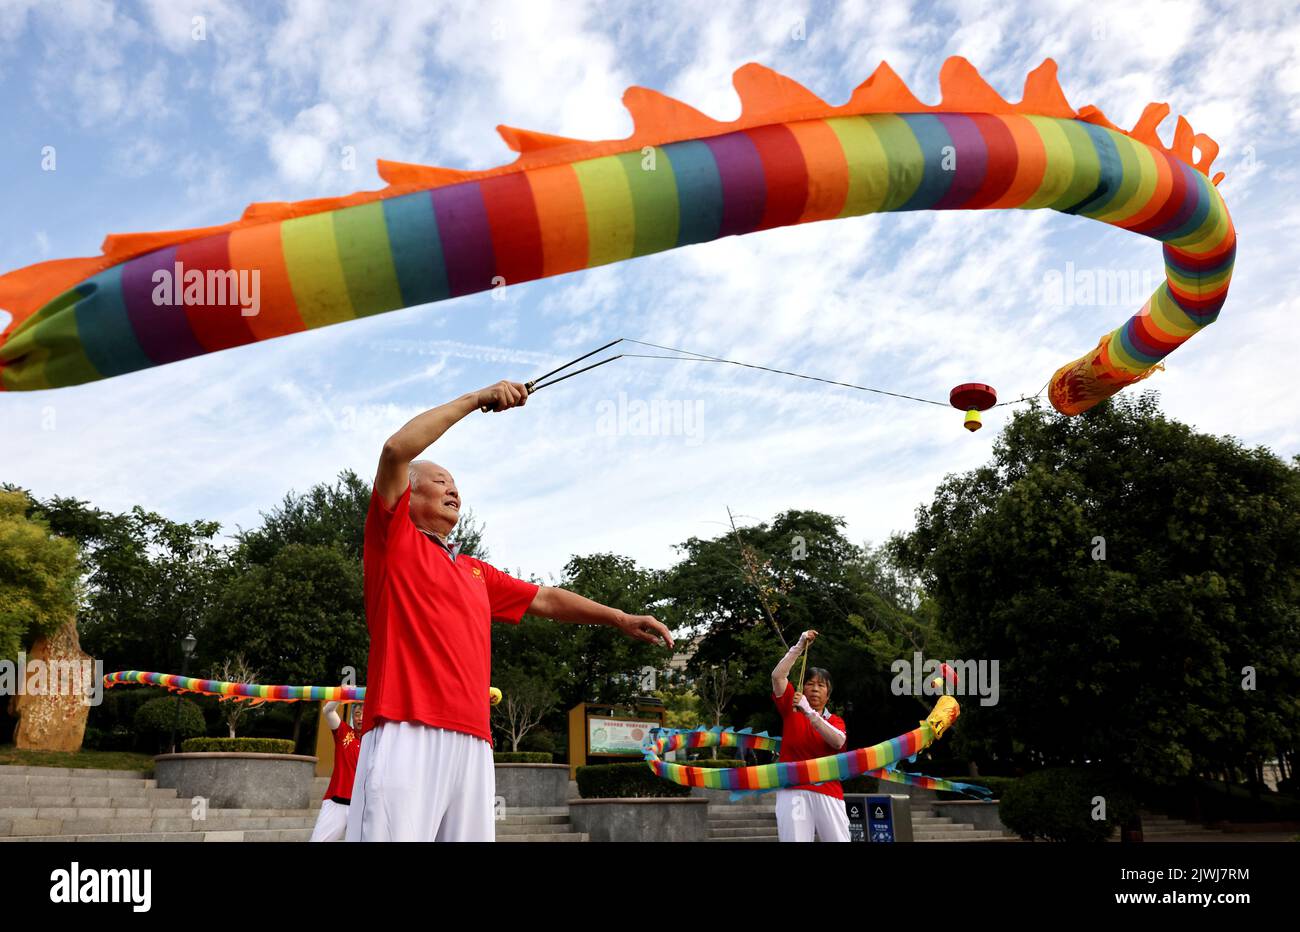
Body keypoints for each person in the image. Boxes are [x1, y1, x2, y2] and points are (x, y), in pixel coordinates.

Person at [346, 379, 674, 843]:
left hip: (474, 740)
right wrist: (477, 398)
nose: (453, 491)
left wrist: (618, 618)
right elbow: (397, 448)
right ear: (408, 496)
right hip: (405, 728)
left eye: (456, 485)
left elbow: (546, 598)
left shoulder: (475, 572)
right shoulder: (392, 539)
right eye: (440, 482)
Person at [770, 629, 850, 842]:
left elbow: (838, 741)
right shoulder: (791, 706)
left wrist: (809, 713)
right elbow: (778, 676)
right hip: (792, 789)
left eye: (821, 685)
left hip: (828, 789)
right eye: (810, 683)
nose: (815, 689)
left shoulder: (835, 721)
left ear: (828, 693)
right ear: (802, 688)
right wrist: (799, 647)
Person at [310, 701, 362, 842]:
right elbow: (328, 711)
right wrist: (341, 693)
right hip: (336, 802)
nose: (361, 718)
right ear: (353, 717)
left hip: (362, 806)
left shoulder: (375, 741)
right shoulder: (344, 732)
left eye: (365, 714)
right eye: (357, 714)